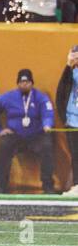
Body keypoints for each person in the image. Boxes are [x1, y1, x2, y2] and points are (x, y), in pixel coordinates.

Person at [0, 69, 55, 193]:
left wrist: (47, 124)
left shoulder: (41, 97)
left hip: (36, 135)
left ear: (32, 83)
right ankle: (1, 185)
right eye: (21, 82)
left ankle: (48, 185)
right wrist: (0, 129)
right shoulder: (8, 97)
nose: (24, 84)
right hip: (15, 135)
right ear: (18, 83)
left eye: (27, 82)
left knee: (47, 145)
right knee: (4, 145)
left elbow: (48, 113)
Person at [54, 48, 78, 194]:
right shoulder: (69, 74)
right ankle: (77, 185)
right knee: (75, 155)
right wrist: (68, 66)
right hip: (73, 120)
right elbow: (60, 93)